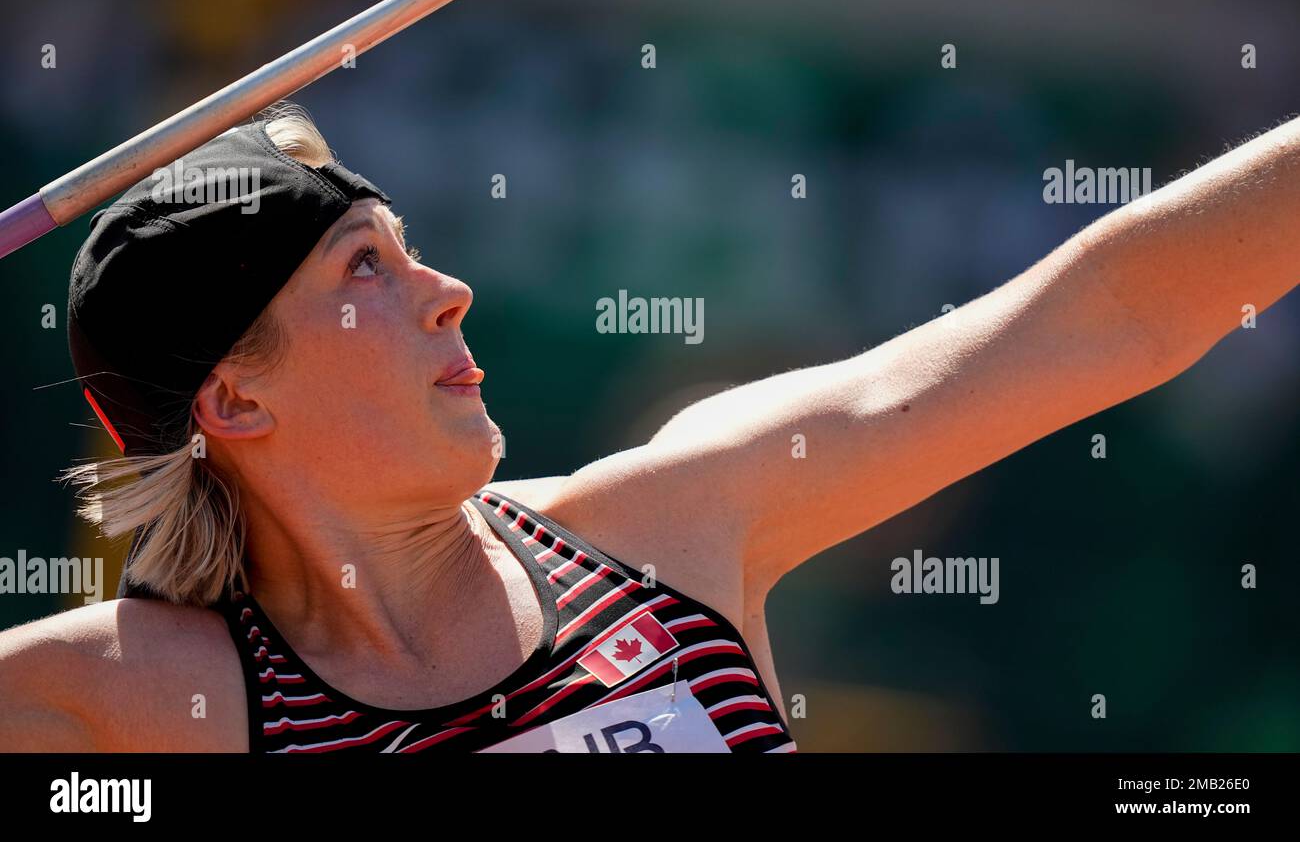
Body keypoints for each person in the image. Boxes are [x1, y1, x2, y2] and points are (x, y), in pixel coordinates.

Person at [0, 102, 1296, 752]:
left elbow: (1108, 314)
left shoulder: (672, 528)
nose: (448, 289)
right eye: (361, 271)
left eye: (411, 249)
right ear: (234, 398)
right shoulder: (148, 697)